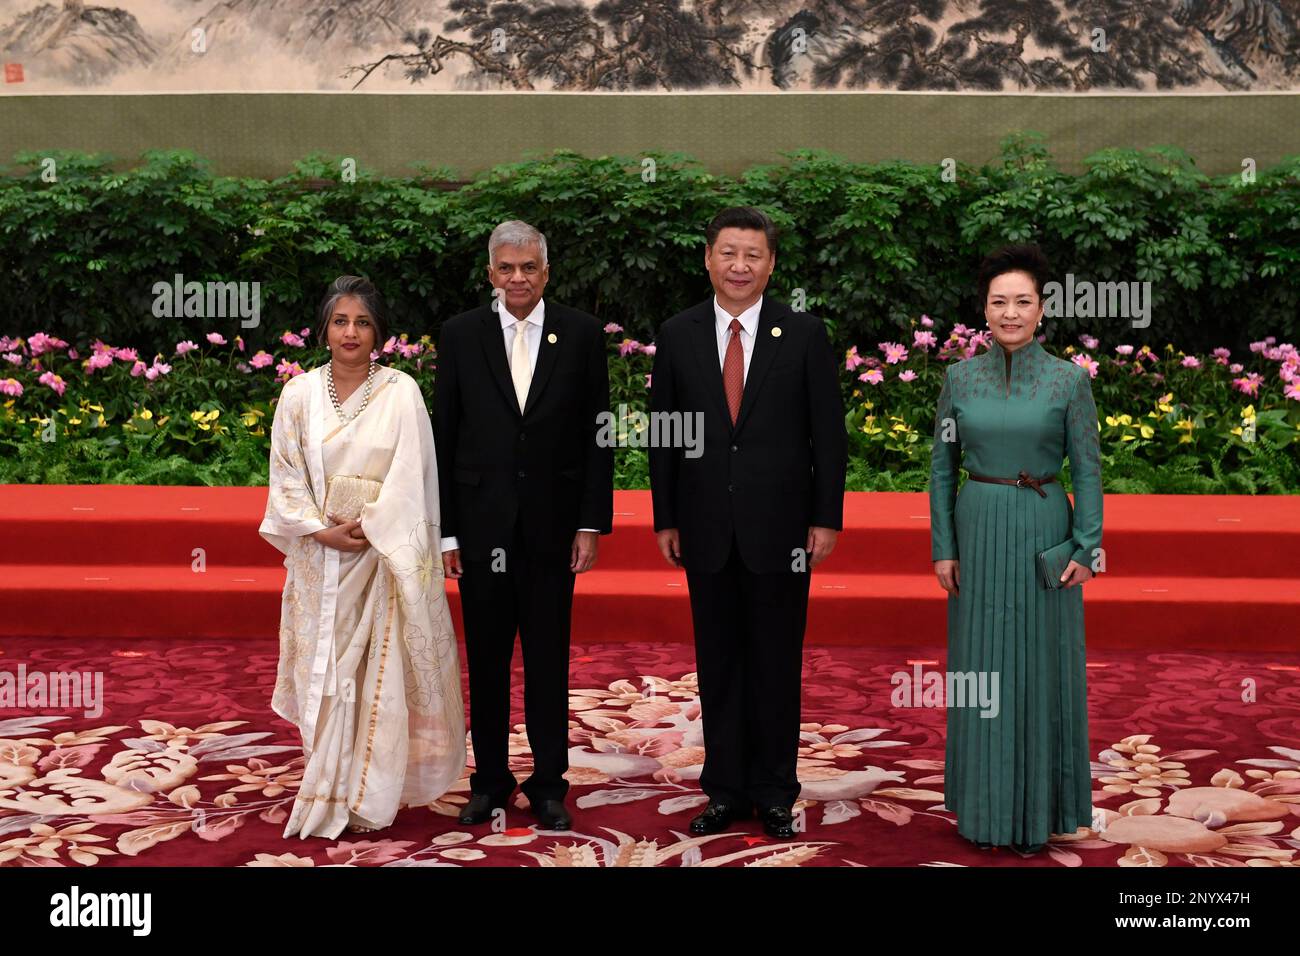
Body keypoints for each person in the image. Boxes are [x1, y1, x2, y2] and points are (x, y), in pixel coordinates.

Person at [648, 206, 847, 839]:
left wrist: (825, 517)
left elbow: (829, 437)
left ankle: (774, 792)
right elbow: (664, 435)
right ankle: (724, 789)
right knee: (719, 663)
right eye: (728, 253)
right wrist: (667, 515)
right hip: (705, 526)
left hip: (782, 531)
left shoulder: (805, 334)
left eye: (752, 255)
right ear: (707, 258)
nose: (740, 266)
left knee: (775, 663)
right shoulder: (677, 334)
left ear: (771, 263)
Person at [259, 275, 466, 840]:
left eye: (363, 322)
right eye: (341, 321)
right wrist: (319, 532)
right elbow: (285, 476)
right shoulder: (298, 393)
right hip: (319, 558)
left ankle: (368, 796)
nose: (351, 332)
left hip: (380, 559)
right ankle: (324, 781)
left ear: (379, 331)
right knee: (326, 676)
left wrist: (373, 529)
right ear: (324, 327)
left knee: (377, 677)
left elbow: (415, 478)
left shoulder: (401, 391)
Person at [434, 220, 613, 831]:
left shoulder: (583, 334)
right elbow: (445, 436)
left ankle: (548, 784)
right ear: (490, 273)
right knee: (485, 662)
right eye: (506, 268)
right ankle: (488, 781)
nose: (517, 278)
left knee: (547, 664)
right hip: (480, 532)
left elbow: (599, 436)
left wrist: (589, 524)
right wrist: (447, 533)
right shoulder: (460, 335)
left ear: (545, 272)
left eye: (528, 268)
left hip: (552, 531)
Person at [929, 243, 1102, 853]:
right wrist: (943, 547)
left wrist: (1088, 547)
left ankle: (1039, 812)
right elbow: (942, 471)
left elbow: (1087, 471)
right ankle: (984, 812)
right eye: (999, 302)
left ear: (1042, 307)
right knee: (982, 673)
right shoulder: (958, 378)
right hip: (976, 530)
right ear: (984, 308)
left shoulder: (1069, 380)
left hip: (1045, 532)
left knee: (1040, 669)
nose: (1010, 312)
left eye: (1022, 301)